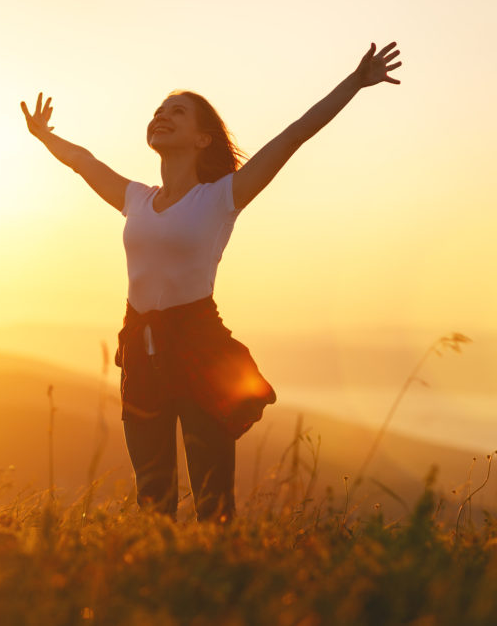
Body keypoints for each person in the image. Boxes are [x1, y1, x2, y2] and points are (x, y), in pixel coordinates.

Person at [20, 42, 403, 524]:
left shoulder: (223, 197)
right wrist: (44, 136)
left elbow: (294, 135)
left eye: (177, 112)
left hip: (199, 348)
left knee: (213, 499)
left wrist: (355, 82)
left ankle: (219, 567)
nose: (162, 116)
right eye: (159, 111)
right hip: (140, 352)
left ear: (203, 139)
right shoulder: (135, 199)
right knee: (152, 497)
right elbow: (84, 161)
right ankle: (160, 567)